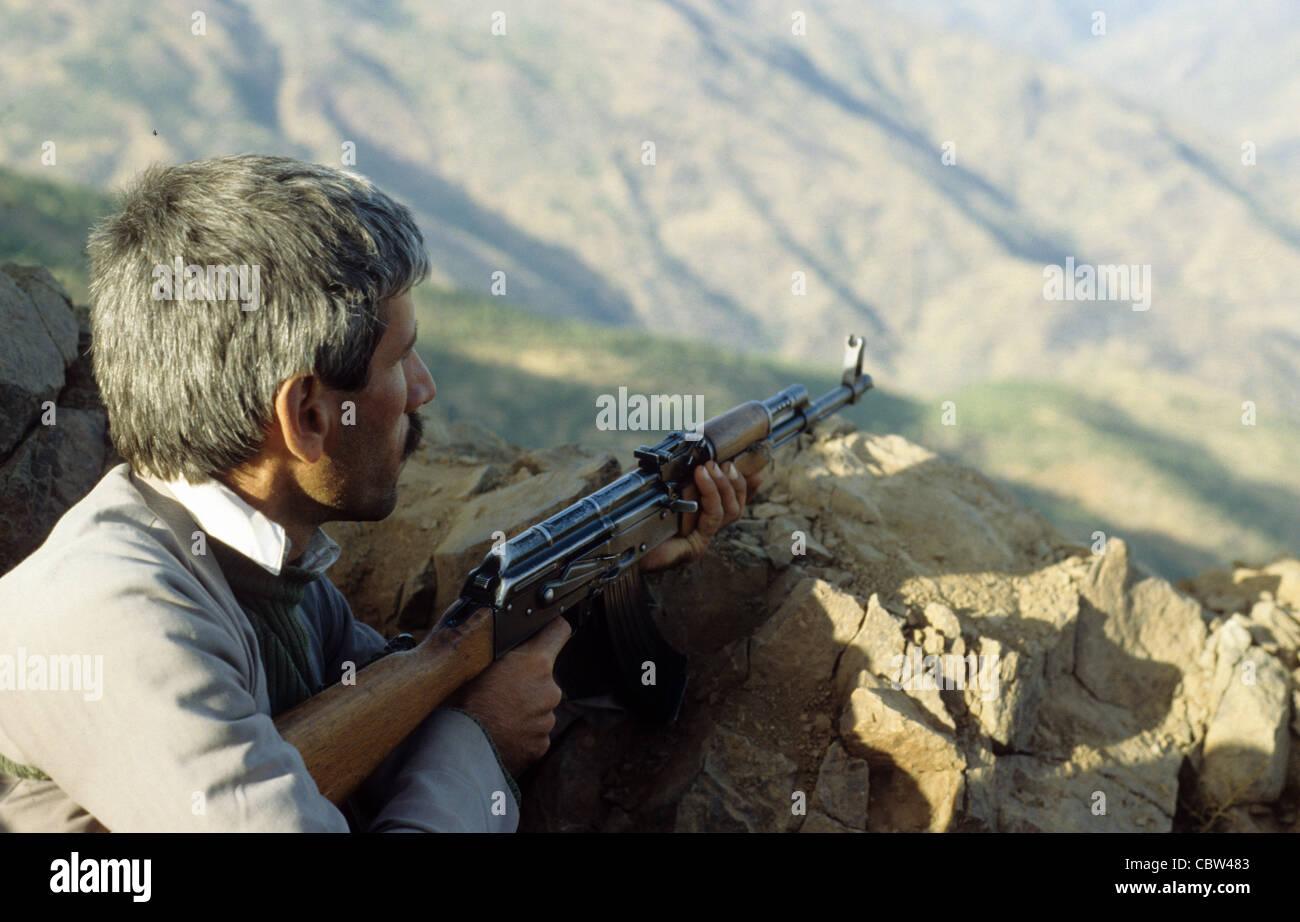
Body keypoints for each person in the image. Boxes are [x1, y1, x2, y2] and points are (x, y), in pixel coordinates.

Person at [0, 154, 759, 832]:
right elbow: (437, 707)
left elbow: (410, 691)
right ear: (306, 416)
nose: (425, 389)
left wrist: (604, 580)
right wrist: (480, 745)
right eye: (402, 358)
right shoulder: (122, 626)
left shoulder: (257, 563)